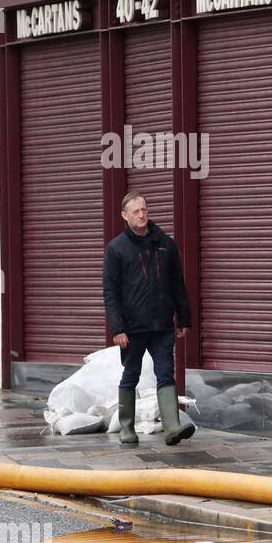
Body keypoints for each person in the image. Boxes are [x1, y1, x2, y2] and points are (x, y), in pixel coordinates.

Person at [103, 191, 194, 446]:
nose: (142, 215)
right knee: (130, 374)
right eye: (136, 211)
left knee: (166, 373)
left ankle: (172, 427)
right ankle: (127, 428)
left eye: (144, 209)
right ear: (124, 215)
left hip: (162, 325)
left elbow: (177, 284)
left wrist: (184, 318)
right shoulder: (116, 249)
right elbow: (110, 293)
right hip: (132, 329)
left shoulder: (166, 244)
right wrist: (117, 327)